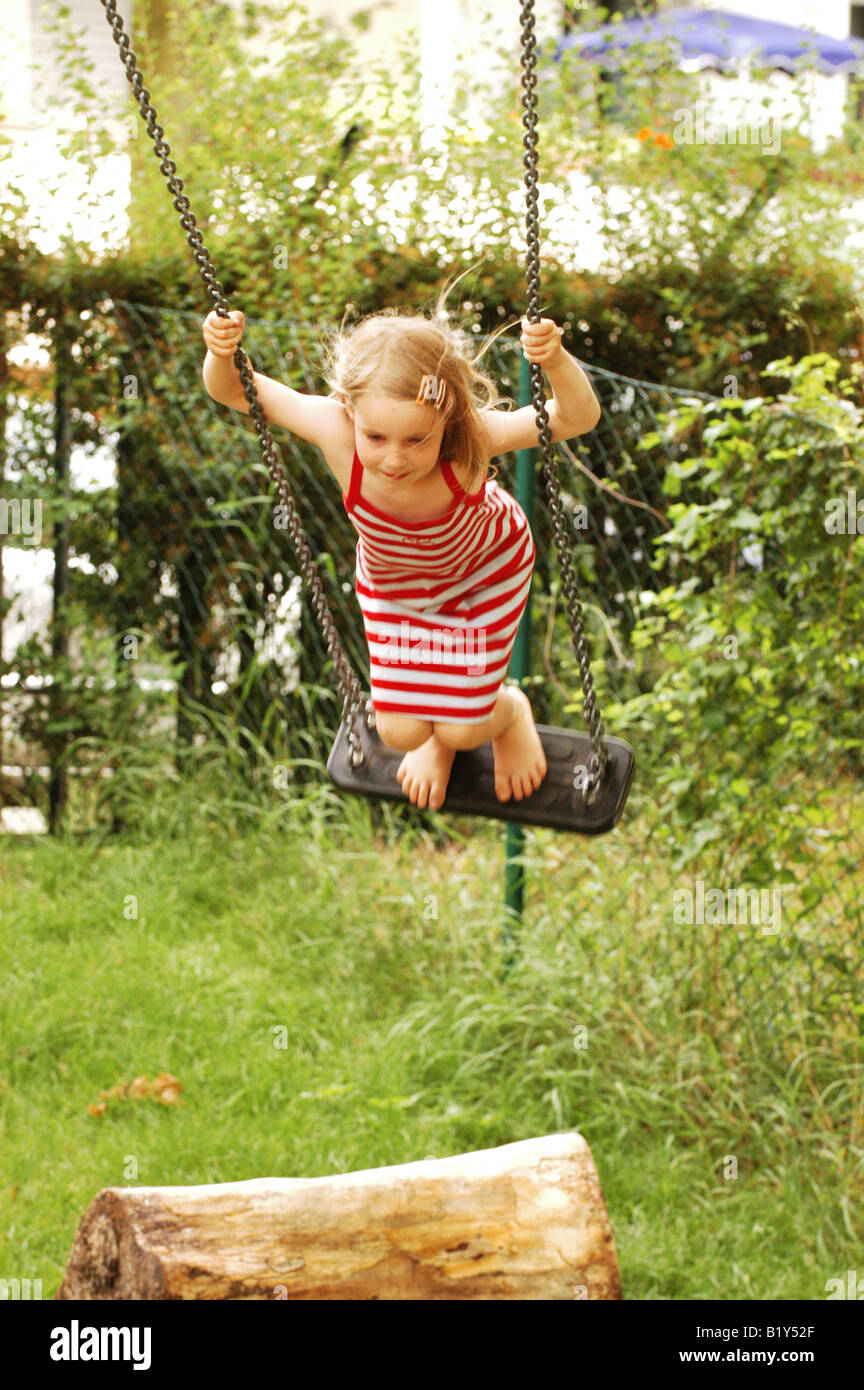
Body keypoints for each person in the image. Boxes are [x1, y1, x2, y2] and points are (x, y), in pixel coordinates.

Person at [202, 286, 601, 811]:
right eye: (377, 437)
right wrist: (220, 352)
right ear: (349, 410)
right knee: (400, 731)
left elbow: (575, 418)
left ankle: (509, 712)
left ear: (447, 418)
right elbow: (235, 391)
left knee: (463, 728)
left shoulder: (471, 440)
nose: (394, 458)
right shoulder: (334, 429)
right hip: (398, 589)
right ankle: (438, 738)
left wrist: (555, 359)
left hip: (485, 571)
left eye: (417, 439)